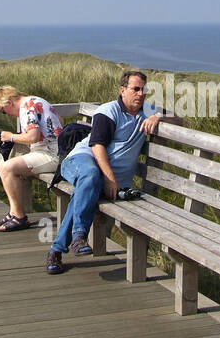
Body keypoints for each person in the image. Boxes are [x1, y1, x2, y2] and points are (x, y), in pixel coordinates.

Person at [46, 70, 179, 274]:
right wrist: (109, 178)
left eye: (144, 90)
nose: (140, 94)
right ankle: (79, 235)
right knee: (90, 177)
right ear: (122, 90)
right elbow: (97, 146)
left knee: (86, 188)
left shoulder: (147, 110)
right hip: (81, 160)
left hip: (106, 179)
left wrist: (158, 117)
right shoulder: (108, 111)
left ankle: (56, 250)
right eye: (135, 89)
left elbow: (179, 120)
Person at [0, 86, 64, 231]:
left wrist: (10, 137)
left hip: (51, 155)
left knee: (8, 167)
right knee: (2, 163)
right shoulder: (36, 100)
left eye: (3, 111)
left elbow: (33, 136)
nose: (6, 114)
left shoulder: (26, 108)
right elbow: (60, 120)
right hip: (53, 150)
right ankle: (13, 212)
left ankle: (19, 217)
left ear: (9, 102)